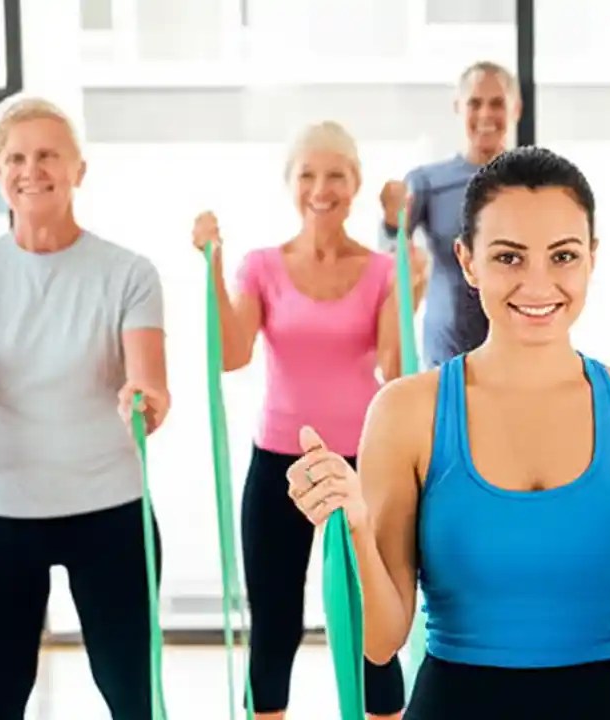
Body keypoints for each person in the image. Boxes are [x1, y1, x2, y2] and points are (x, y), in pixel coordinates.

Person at [283, 146, 610, 719]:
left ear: (591, 258)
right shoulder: (405, 412)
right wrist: (354, 527)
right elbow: (380, 639)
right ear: (467, 261)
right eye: (509, 258)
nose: (538, 283)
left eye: (562, 256)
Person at [0, 96, 170, 718]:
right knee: (1, 697)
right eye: (15, 157)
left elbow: (152, 386)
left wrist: (141, 400)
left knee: (131, 696)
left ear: (78, 170)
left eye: (47, 156)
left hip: (109, 510)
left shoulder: (128, 272)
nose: (30, 170)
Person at [192, 121, 426, 720]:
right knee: (276, 621)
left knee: (374, 619)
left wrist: (408, 283)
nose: (322, 188)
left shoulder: (379, 270)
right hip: (279, 464)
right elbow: (233, 353)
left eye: (336, 176)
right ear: (290, 184)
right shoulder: (263, 266)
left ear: (356, 186)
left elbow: (396, 367)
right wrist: (213, 267)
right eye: (308, 175)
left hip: (360, 466)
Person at [376, 60, 523, 368]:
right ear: (458, 107)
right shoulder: (427, 182)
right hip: (446, 354)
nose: (485, 114)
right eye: (475, 103)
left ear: (516, 109)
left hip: (518, 351)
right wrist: (392, 221)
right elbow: (391, 257)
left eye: (497, 103)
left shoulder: (534, 182)